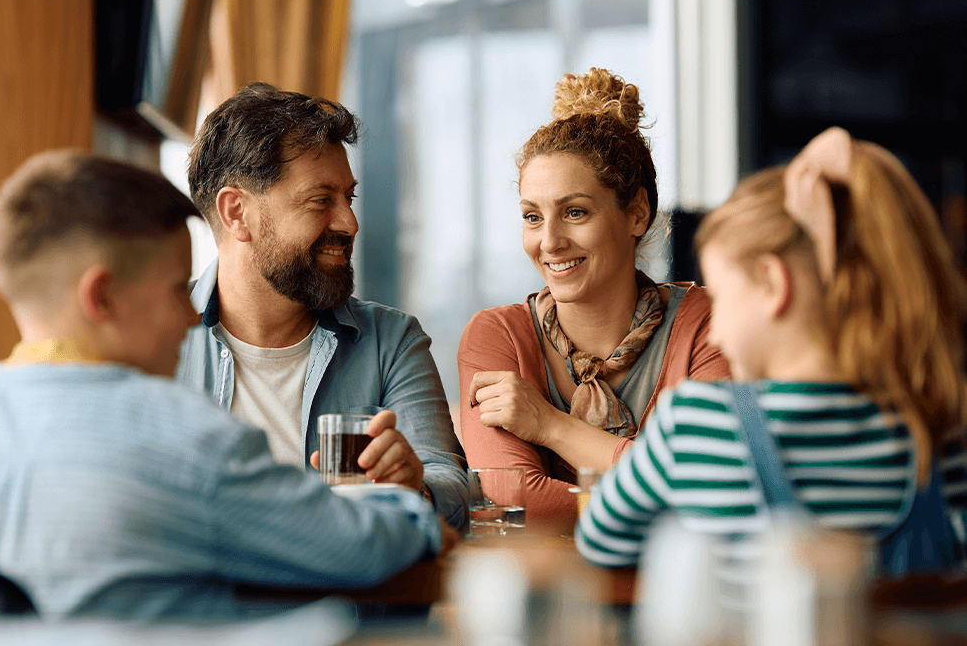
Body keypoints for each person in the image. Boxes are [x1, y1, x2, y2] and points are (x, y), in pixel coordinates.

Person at [0, 152, 451, 620]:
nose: (191, 316)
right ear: (102, 298)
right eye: (172, 289)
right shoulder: (186, 438)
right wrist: (404, 505)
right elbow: (360, 548)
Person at [576, 127, 967, 569]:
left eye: (720, 298)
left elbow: (600, 541)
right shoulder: (936, 426)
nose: (717, 333)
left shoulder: (697, 420)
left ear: (773, 284)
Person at [177, 82, 468, 529]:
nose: (350, 222)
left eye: (348, 198)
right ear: (237, 212)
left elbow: (451, 483)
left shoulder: (389, 342)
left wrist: (418, 488)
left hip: (350, 599)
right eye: (320, 201)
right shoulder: (158, 339)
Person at [458, 68, 731, 529]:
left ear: (637, 214)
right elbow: (515, 501)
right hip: (546, 594)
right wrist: (659, 489)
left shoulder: (709, 324)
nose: (549, 242)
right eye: (532, 217)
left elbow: (709, 491)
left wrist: (549, 425)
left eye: (575, 212)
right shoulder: (497, 336)